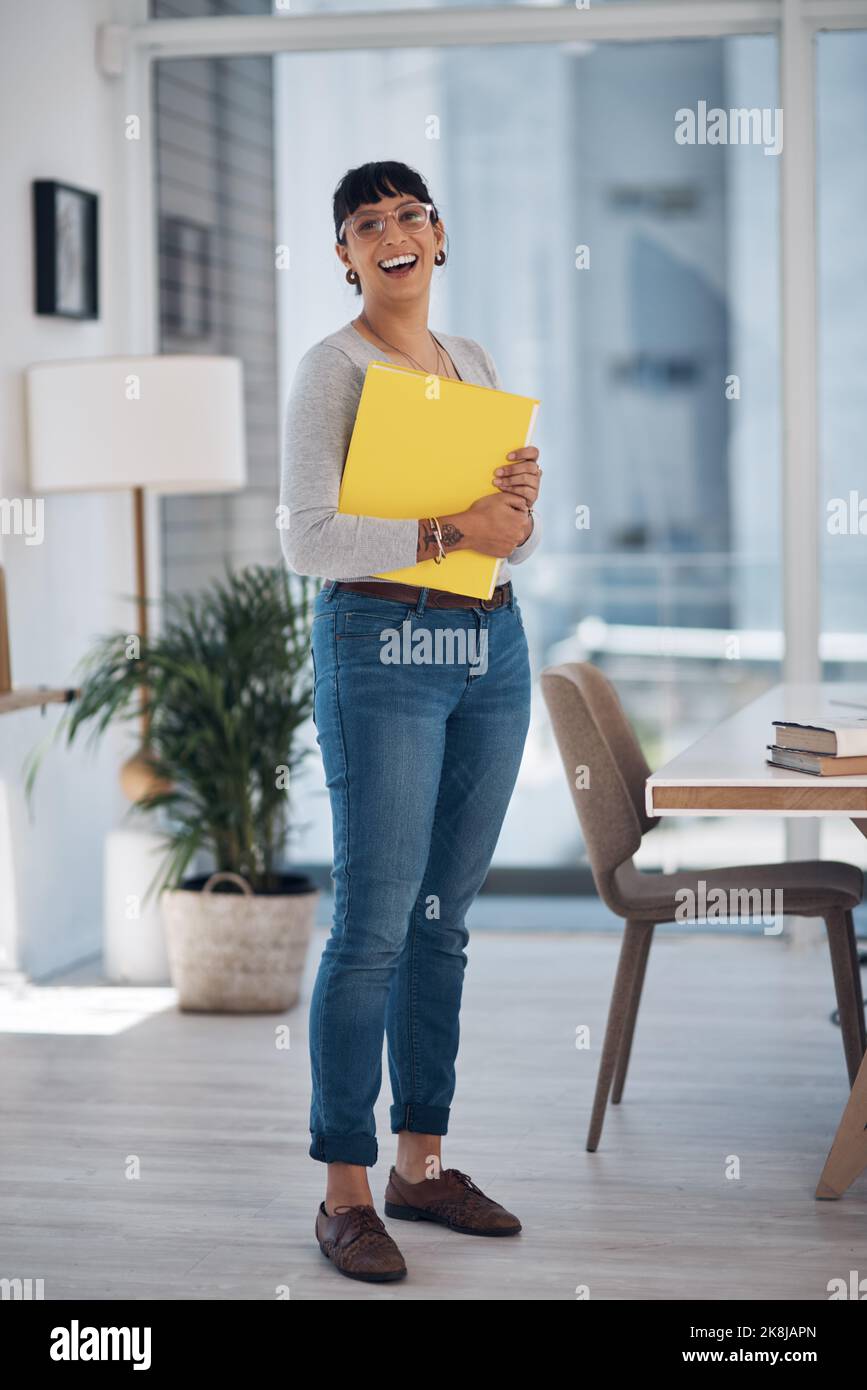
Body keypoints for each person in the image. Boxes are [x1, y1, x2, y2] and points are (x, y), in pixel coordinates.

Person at [279, 160, 544, 1283]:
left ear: (440, 235)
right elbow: (308, 540)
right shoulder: (331, 368)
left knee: (442, 921)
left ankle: (421, 1163)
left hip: (489, 641)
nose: (392, 234)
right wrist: (447, 527)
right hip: (380, 648)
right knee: (375, 925)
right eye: (366, 223)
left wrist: (515, 507)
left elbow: (510, 532)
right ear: (345, 254)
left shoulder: (471, 361)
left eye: (409, 215)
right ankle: (344, 1190)